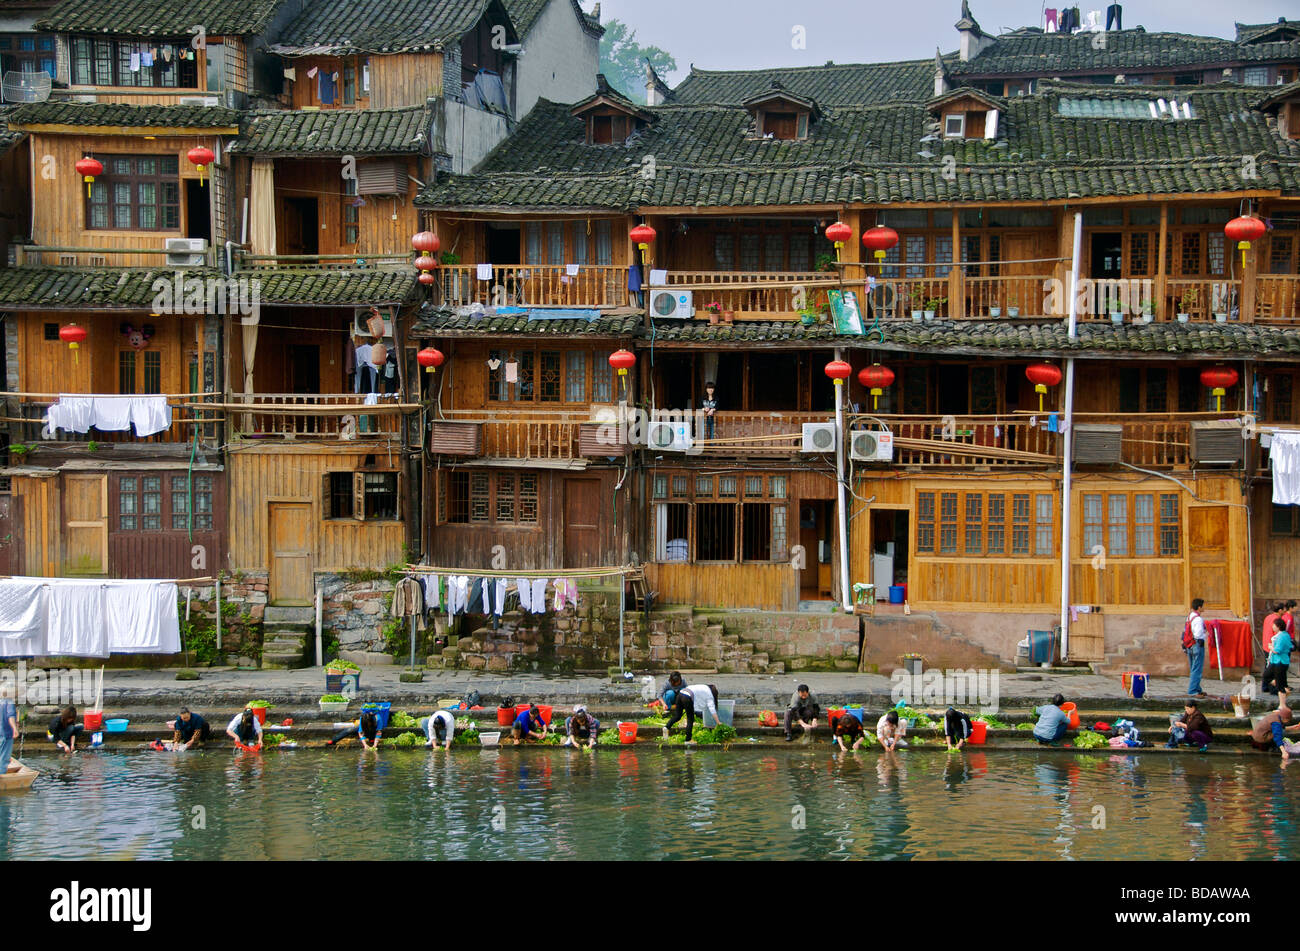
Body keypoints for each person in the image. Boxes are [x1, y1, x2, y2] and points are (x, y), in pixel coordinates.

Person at [1261, 617, 1293, 701]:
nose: (1272, 627)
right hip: (1275, 661)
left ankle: (1282, 703)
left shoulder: (1283, 636)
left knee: (1280, 686)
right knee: (1266, 676)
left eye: (1274, 625)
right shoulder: (1279, 635)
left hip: (1280, 662)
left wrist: (1271, 647)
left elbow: (1277, 650)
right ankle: (1283, 689)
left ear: (1278, 626)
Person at [1185, 598, 1208, 699]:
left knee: (1193, 668)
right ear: (1199, 607)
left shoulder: (1190, 616)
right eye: (1203, 605)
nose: (1204, 607)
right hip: (1197, 645)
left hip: (1189, 645)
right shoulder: (1198, 619)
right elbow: (1198, 634)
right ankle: (1192, 690)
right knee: (1197, 669)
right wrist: (1206, 634)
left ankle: (1197, 688)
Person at [0, 684, 17, 769]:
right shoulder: (9, 702)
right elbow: (11, 716)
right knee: (4, 758)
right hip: (6, 733)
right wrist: (15, 729)